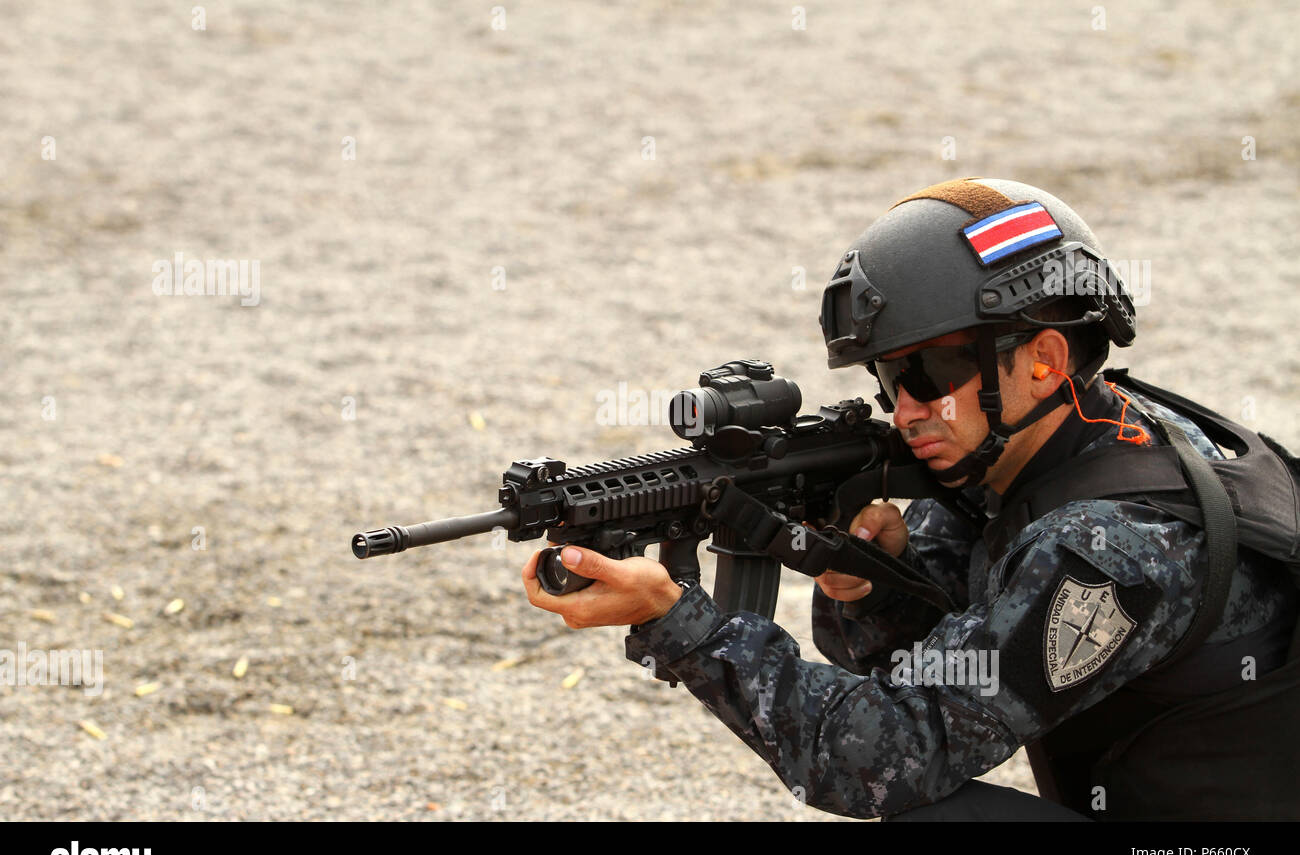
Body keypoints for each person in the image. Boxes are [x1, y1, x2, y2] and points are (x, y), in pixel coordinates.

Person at [522, 177, 1300, 820]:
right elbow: (954, 655)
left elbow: (875, 756)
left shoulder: (1109, 544)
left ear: (1044, 358)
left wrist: (677, 622)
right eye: (890, 380)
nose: (905, 409)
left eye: (929, 373)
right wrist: (872, 583)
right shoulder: (1104, 427)